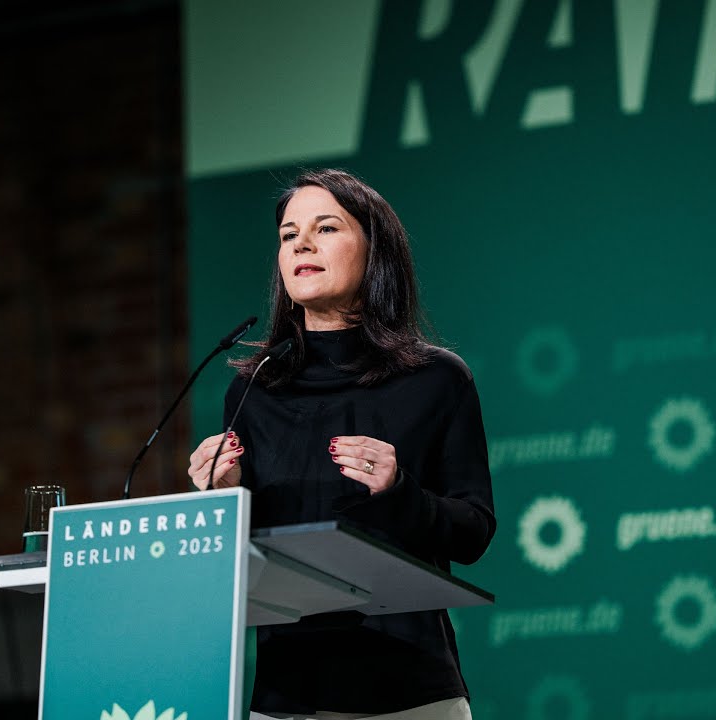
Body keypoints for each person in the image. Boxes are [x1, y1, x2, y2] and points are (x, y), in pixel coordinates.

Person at [187, 168, 496, 720]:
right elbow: (248, 554)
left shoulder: (437, 380)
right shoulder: (252, 387)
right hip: (288, 696)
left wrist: (400, 491)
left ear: (374, 250)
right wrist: (227, 495)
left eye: (325, 227)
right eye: (288, 235)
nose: (301, 243)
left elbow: (473, 531)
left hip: (409, 692)